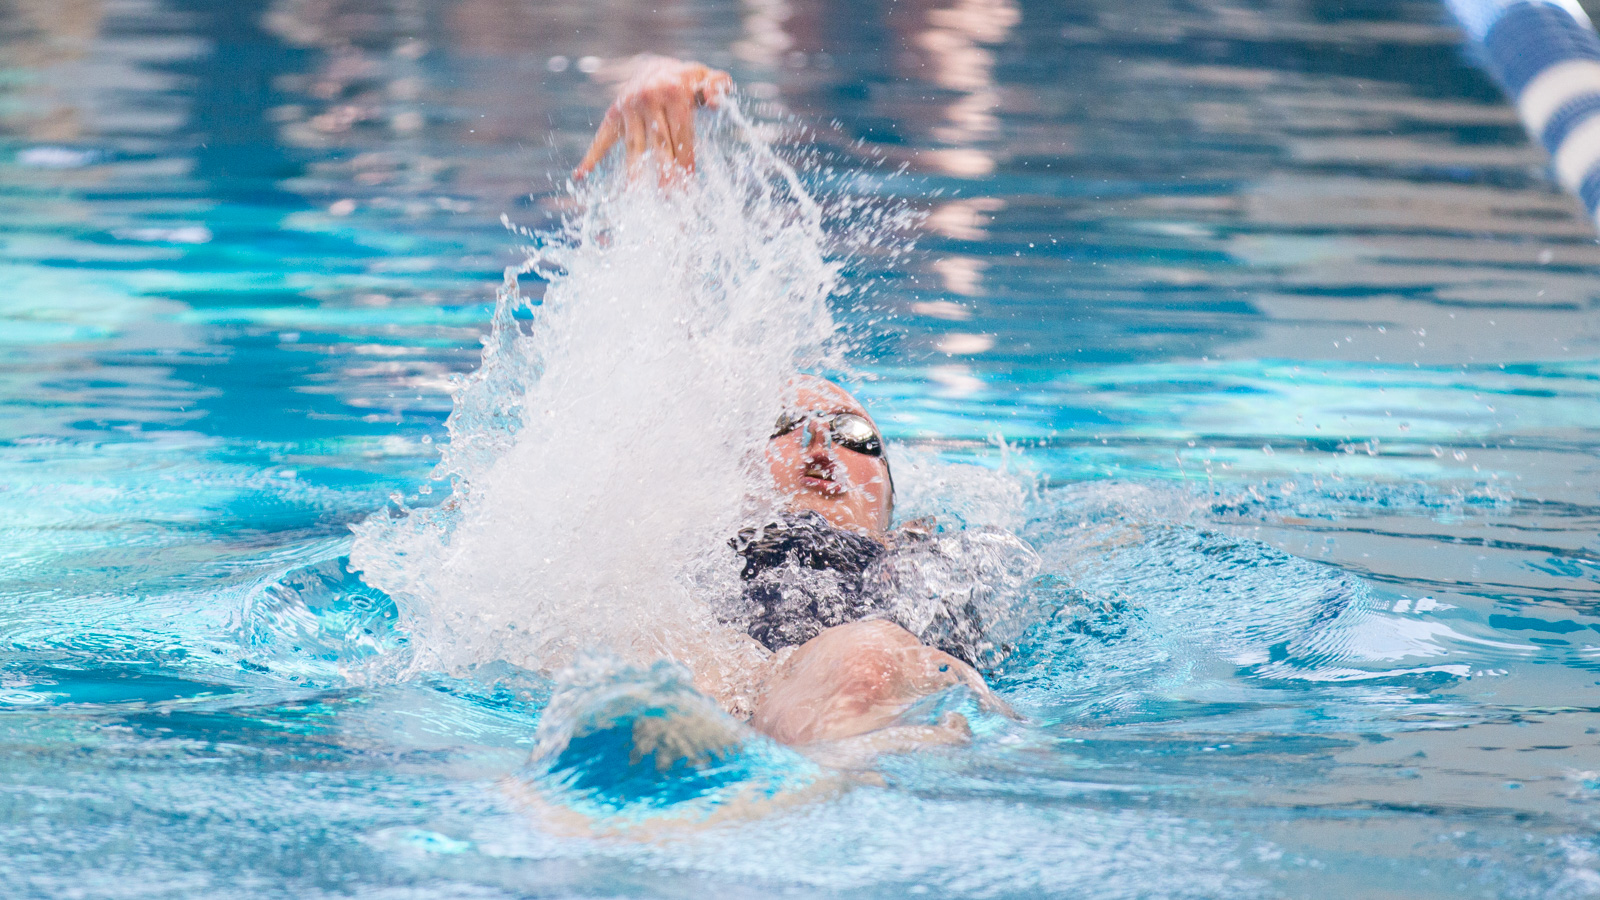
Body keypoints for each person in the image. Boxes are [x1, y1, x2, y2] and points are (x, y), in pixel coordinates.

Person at [574, 57, 1015, 751]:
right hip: (717, 666)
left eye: (851, 434)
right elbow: (654, 336)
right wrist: (661, 117)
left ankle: (825, 779)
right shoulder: (697, 542)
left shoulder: (934, 559)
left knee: (866, 657)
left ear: (894, 498)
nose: (821, 446)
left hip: (862, 671)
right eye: (788, 428)